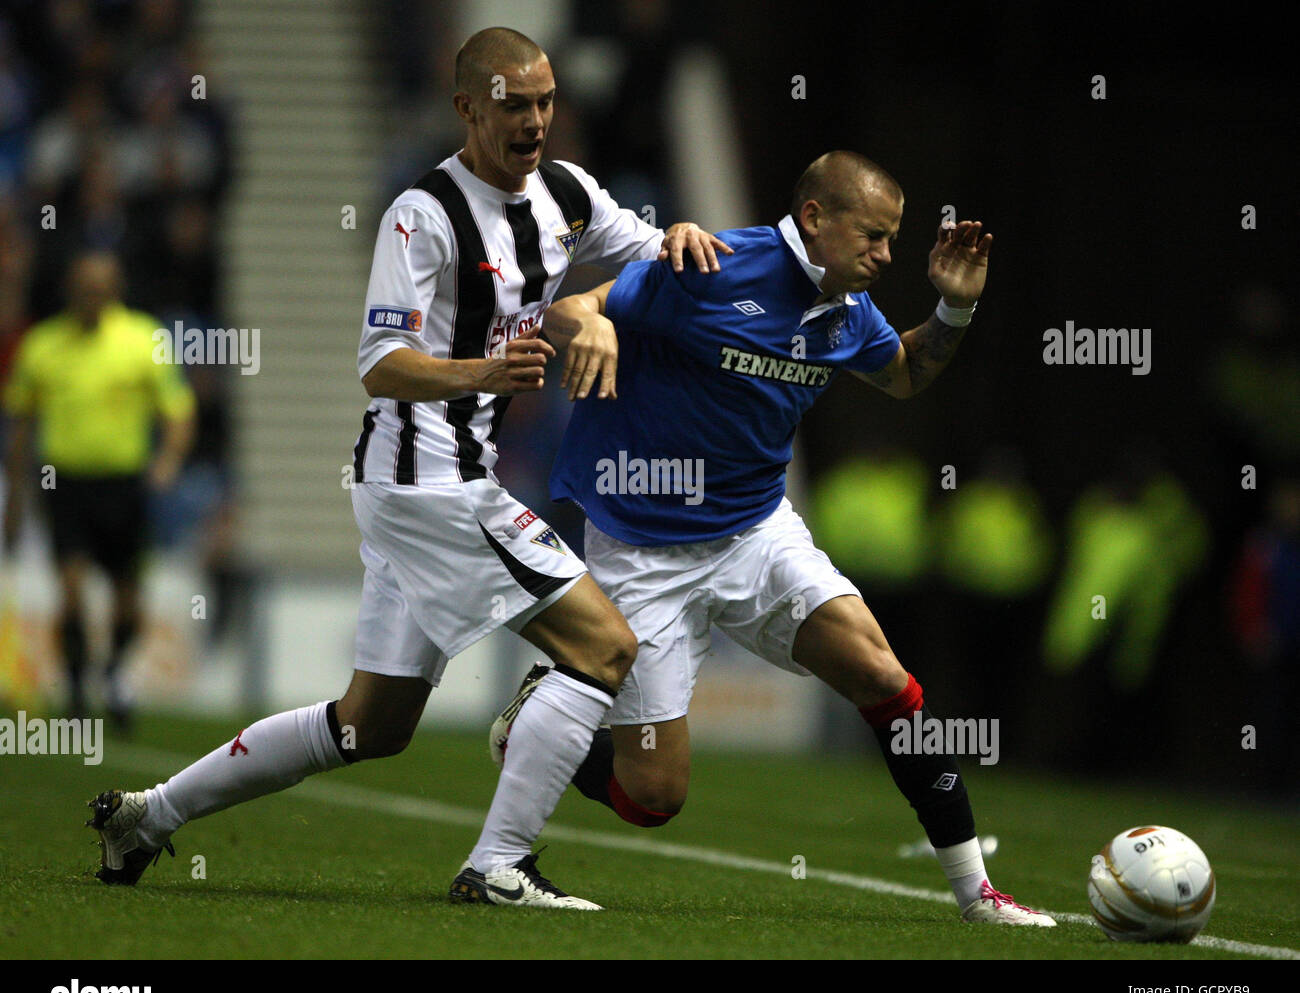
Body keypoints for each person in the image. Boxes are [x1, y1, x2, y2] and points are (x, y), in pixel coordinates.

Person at [84, 27, 729, 910]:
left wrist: (683, 234)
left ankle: (148, 817)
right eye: (514, 103)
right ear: (468, 107)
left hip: (432, 485)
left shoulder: (568, 193)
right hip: (431, 480)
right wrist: (485, 373)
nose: (535, 119)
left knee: (368, 725)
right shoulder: (422, 214)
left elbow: (649, 249)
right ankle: (499, 863)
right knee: (607, 646)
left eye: (544, 101)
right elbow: (380, 361)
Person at [519, 151, 1055, 924]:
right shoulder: (711, 261)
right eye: (872, 235)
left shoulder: (845, 309)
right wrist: (594, 324)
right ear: (814, 219)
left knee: (882, 674)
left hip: (756, 532)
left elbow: (903, 373)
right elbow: (569, 309)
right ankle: (537, 715)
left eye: (894, 238)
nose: (886, 255)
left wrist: (954, 311)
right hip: (644, 547)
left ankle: (979, 892)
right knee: (653, 797)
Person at [3, 251, 195, 729]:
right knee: (70, 591)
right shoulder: (42, 345)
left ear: (115, 290)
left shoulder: (141, 339)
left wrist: (168, 461)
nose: (92, 297)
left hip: (123, 486)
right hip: (66, 485)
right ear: (71, 289)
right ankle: (74, 690)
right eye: (85, 288)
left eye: (101, 289)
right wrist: (17, 495)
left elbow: (176, 410)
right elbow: (21, 424)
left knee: (128, 599)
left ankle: (112, 675)